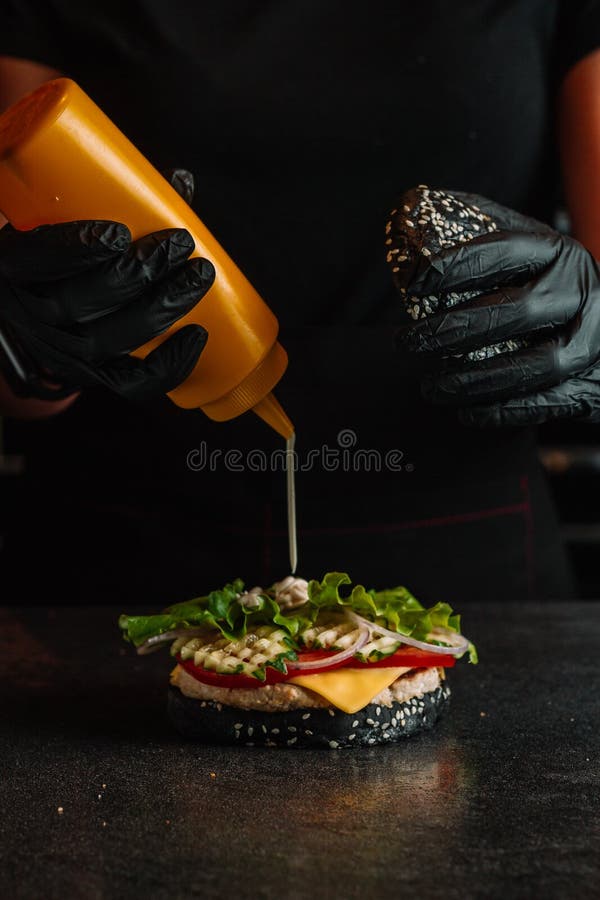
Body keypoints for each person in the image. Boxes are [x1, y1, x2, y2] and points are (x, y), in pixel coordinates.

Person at [0, 2, 598, 606]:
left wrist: (589, 315)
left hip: (474, 544)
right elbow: (21, 180)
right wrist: (31, 340)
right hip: (116, 540)